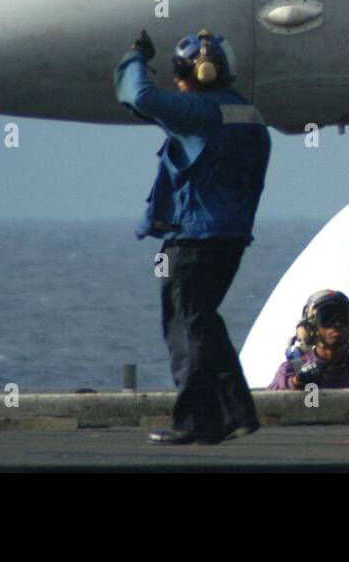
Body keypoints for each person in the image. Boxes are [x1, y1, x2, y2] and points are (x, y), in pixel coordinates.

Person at [115, 28, 271, 445]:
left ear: (195, 71)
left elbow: (139, 97)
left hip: (194, 239)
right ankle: (234, 412)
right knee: (203, 322)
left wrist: (135, 57)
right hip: (232, 238)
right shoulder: (248, 114)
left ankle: (195, 421)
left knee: (186, 327)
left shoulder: (199, 113)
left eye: (178, 72)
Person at [267, 290, 349, 391]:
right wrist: (296, 382)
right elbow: (270, 404)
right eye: (326, 316)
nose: (336, 323)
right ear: (310, 328)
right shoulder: (292, 369)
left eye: (343, 316)